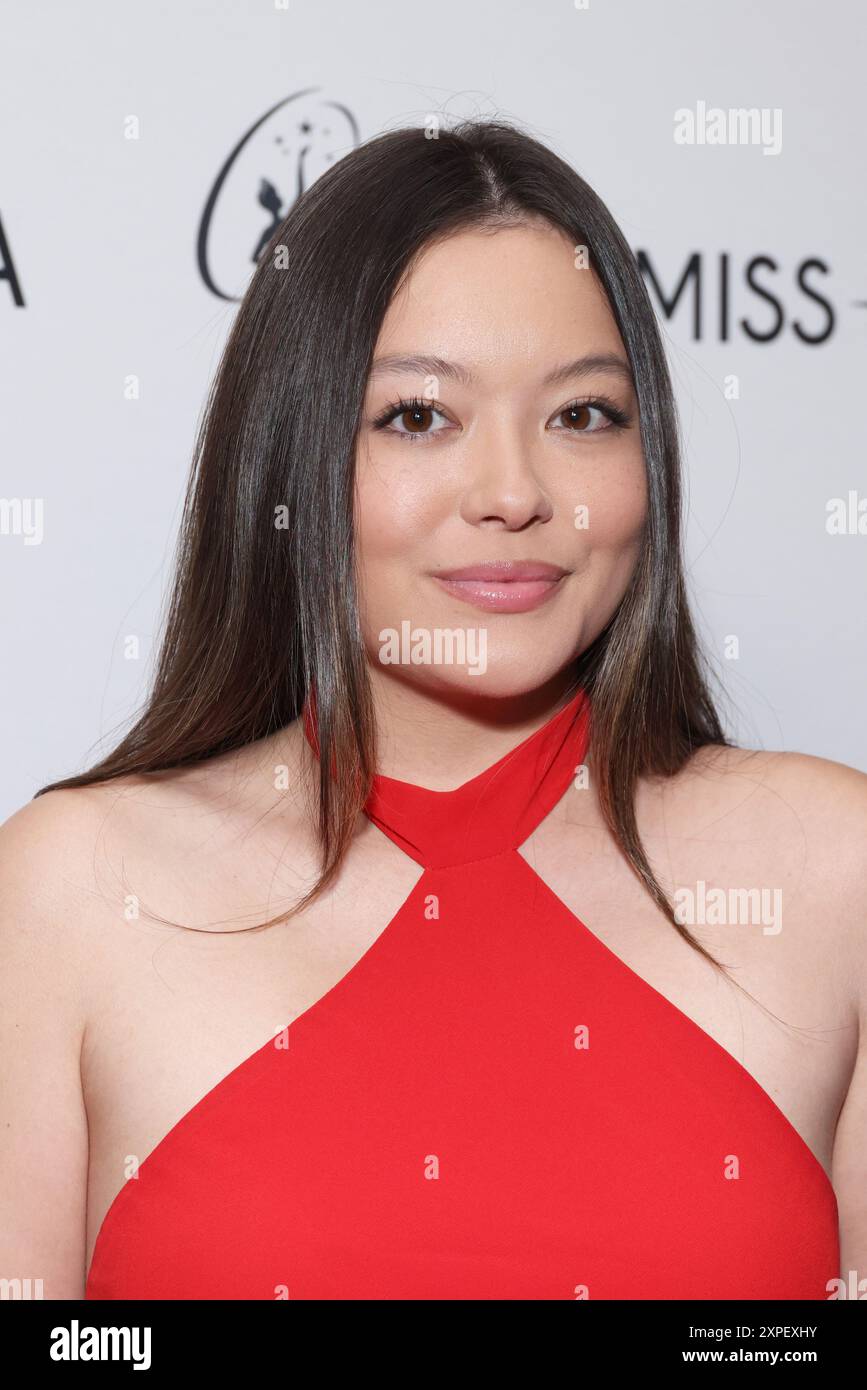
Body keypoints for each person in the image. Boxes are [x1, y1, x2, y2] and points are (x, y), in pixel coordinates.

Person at [1, 119, 864, 1301]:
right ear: (294, 458)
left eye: (583, 415)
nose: (515, 493)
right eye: (419, 417)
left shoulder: (832, 869)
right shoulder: (73, 889)